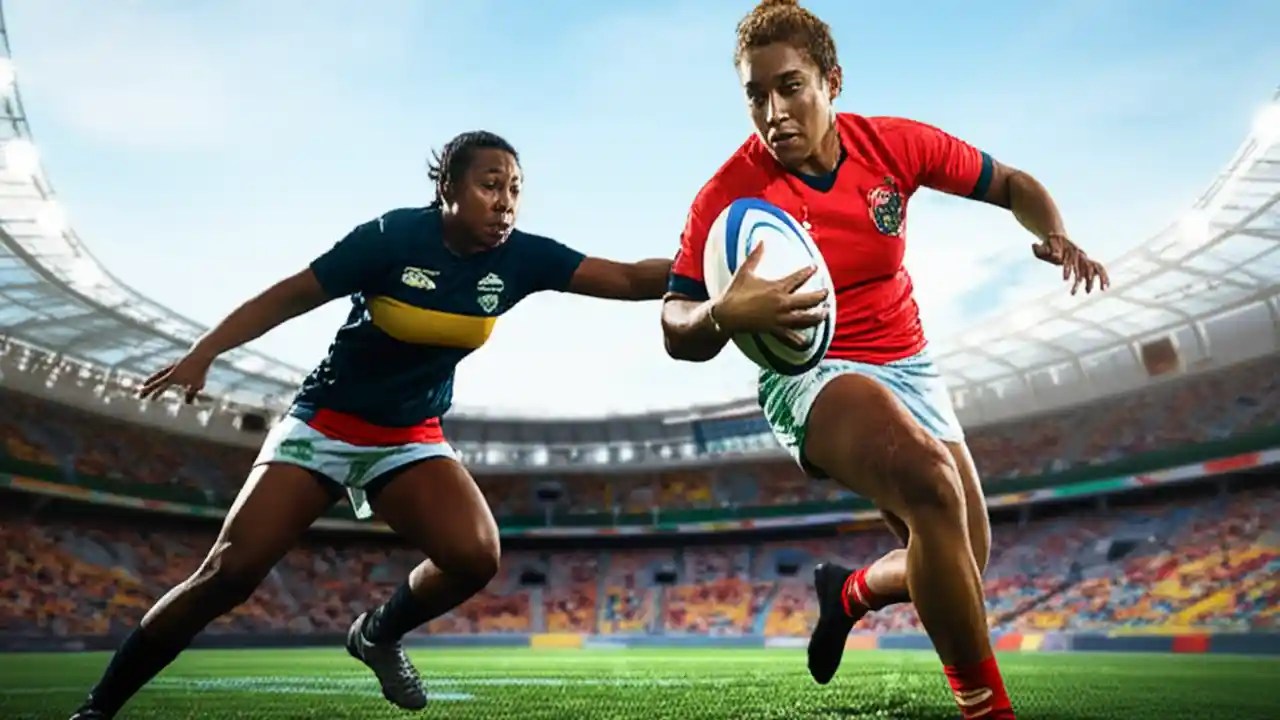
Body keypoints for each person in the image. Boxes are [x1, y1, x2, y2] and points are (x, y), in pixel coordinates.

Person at [69, 130, 673, 719]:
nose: (506, 201)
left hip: (409, 435)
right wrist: (206, 351)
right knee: (230, 574)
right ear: (448, 188)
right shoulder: (390, 238)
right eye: (491, 185)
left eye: (515, 189)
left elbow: (625, 279)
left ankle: (377, 636)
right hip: (325, 423)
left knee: (475, 555)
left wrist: (709, 273)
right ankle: (99, 707)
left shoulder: (522, 258)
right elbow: (288, 296)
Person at [659, 2, 1109, 718]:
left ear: (832, 81)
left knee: (963, 556)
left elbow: (1014, 184)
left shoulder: (893, 146)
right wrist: (721, 314)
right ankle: (988, 708)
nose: (774, 111)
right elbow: (676, 323)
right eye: (756, 95)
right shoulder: (726, 196)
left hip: (911, 361)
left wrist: (1056, 234)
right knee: (932, 484)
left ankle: (850, 591)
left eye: (791, 86)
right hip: (812, 371)